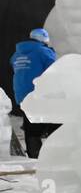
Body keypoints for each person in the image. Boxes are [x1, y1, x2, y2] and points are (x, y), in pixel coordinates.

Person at [9, 28, 58, 158]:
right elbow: (56, 69)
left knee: (31, 127)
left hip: (22, 96)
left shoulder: (16, 54)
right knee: (56, 124)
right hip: (40, 95)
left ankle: (34, 155)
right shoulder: (43, 51)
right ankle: (55, 156)